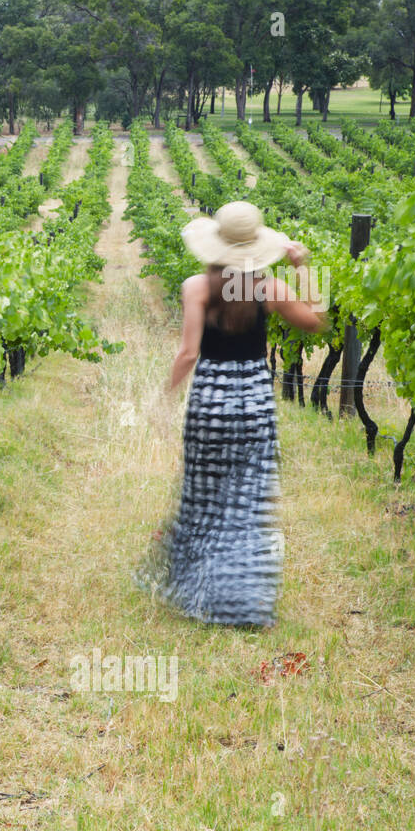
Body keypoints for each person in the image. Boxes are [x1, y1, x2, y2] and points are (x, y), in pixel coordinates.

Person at [137, 201, 325, 627]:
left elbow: (188, 353)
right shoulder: (269, 288)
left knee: (204, 500)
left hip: (210, 404)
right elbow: (316, 319)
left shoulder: (196, 287)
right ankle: (243, 601)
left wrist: (164, 398)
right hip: (255, 404)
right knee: (246, 503)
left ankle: (198, 593)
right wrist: (303, 268)